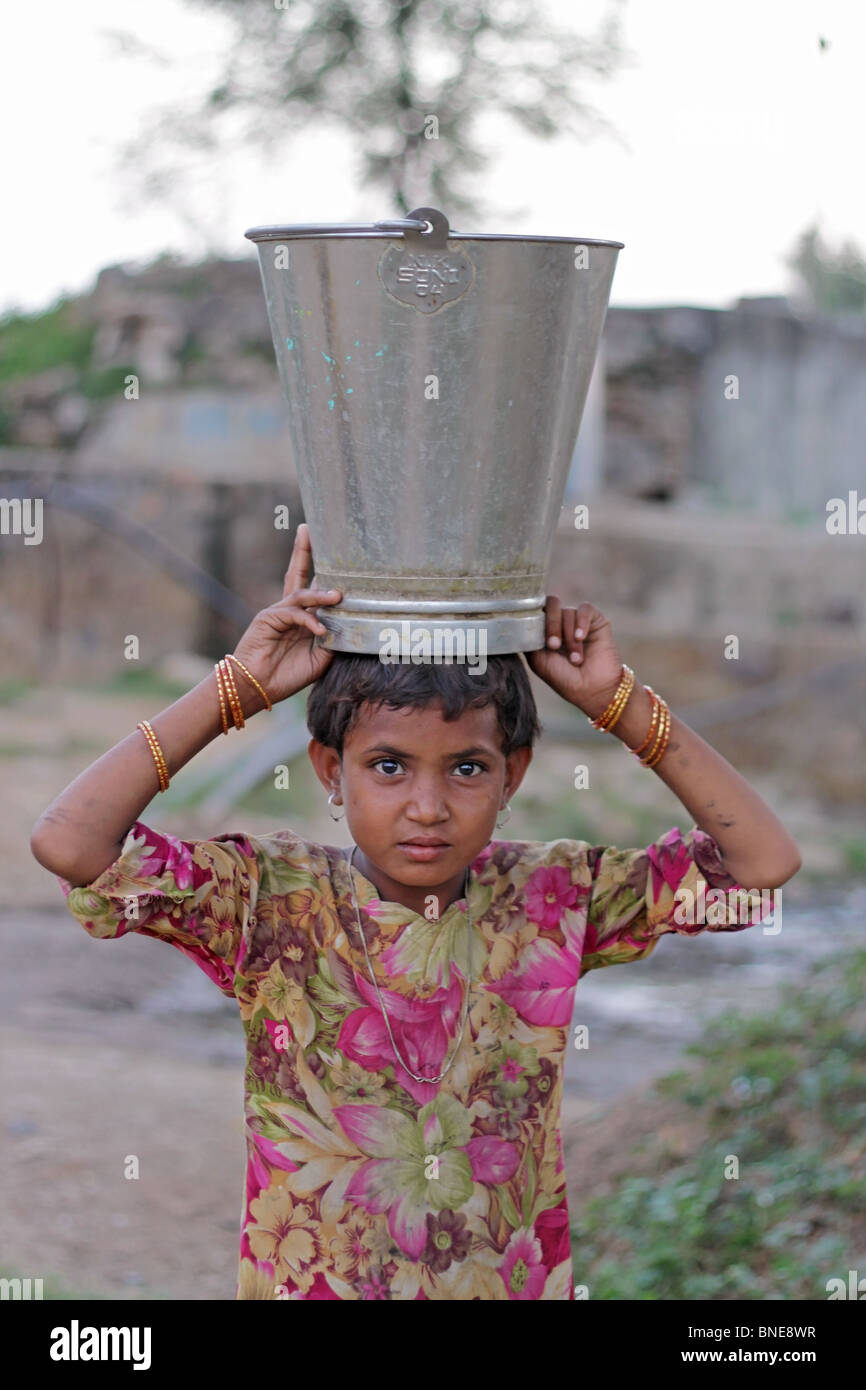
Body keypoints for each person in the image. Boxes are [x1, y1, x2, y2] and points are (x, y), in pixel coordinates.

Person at [30, 523, 801, 1301]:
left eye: (468, 767)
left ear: (514, 776)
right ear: (331, 772)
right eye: (388, 766)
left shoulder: (550, 898)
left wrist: (618, 703)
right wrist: (235, 689)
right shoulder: (270, 899)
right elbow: (71, 843)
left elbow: (761, 868)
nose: (426, 807)